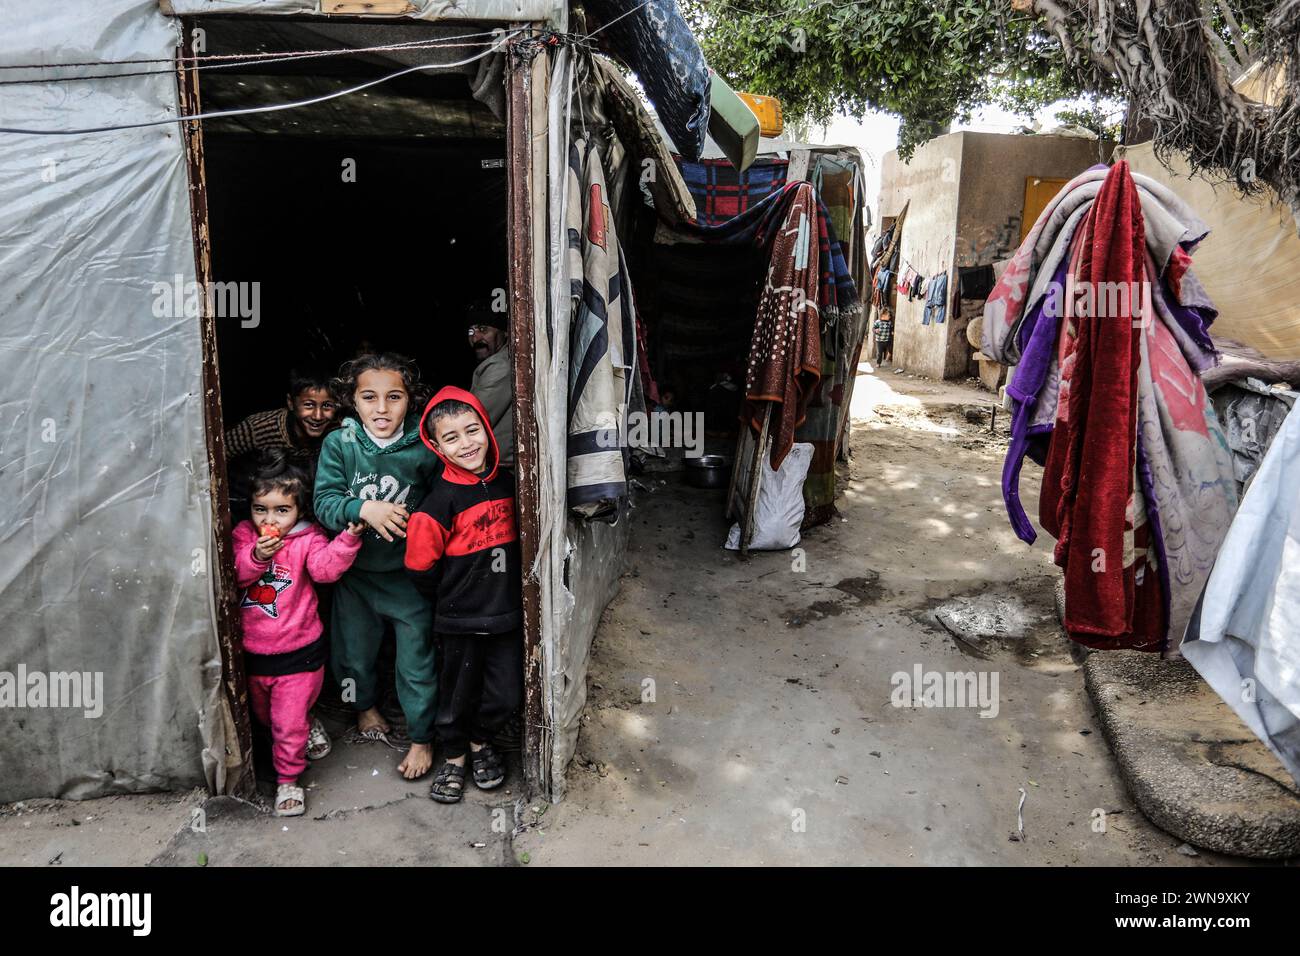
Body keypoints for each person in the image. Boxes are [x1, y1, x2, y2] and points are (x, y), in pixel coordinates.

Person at [313, 353, 442, 780]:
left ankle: (422, 736)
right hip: (356, 577)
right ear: (352, 399)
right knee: (353, 652)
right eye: (369, 397)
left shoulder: (425, 446)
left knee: (417, 660)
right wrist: (364, 507)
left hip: (408, 579)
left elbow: (443, 503)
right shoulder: (340, 444)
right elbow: (324, 503)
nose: (382, 409)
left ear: (411, 401)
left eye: (394, 397)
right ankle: (365, 709)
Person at [405, 387, 522, 803]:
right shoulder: (437, 504)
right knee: (456, 692)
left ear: (488, 430)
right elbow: (420, 567)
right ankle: (453, 755)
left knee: (506, 692)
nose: (467, 443)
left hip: (507, 615)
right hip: (459, 619)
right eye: (451, 438)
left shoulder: (512, 483)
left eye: (473, 430)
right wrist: (452, 599)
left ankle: (480, 741)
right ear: (435, 446)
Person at [233, 450, 364, 817]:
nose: (269, 520)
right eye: (261, 509)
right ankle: (309, 724)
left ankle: (288, 781)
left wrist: (348, 540)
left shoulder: (308, 538)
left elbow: (324, 571)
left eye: (281, 511)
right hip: (255, 654)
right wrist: (257, 556)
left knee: (286, 722)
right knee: (264, 716)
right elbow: (236, 575)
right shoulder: (243, 536)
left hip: (299, 651)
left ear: (299, 512)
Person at [225, 368, 340, 468]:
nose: (318, 416)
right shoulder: (257, 429)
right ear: (290, 403)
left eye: (327, 405)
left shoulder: (337, 431)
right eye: (309, 405)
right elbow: (217, 458)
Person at [467, 311, 515, 470]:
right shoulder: (496, 361)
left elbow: (473, 418)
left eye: (483, 330)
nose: (476, 338)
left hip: (501, 469)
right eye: (471, 332)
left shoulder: (500, 365)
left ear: (505, 332)